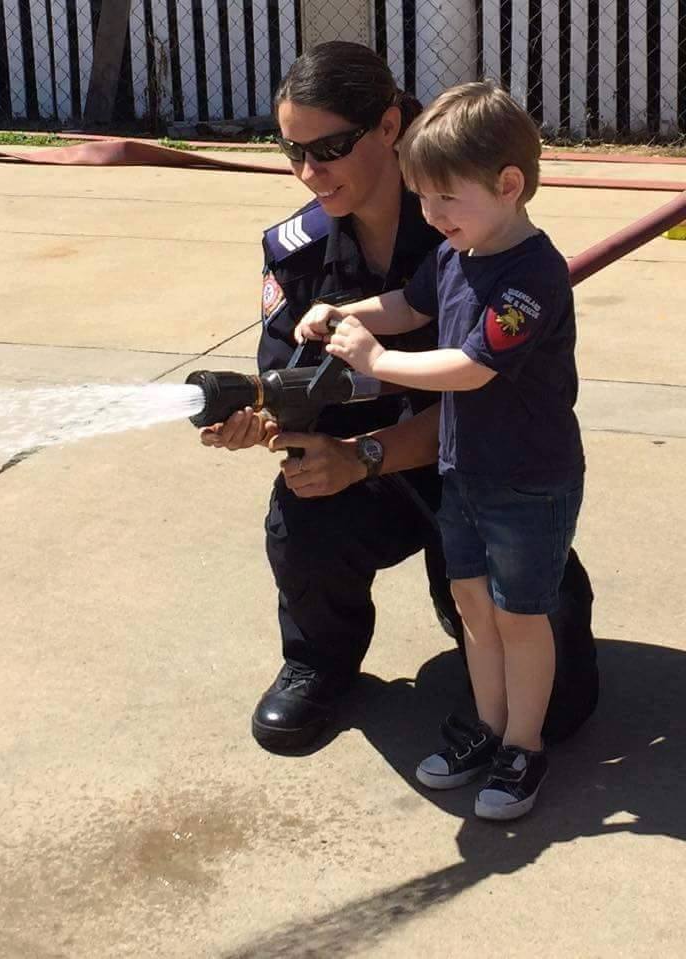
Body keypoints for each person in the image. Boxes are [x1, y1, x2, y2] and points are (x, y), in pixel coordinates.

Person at [200, 41, 598, 757]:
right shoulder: (297, 251)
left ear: (389, 127)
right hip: (377, 475)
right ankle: (321, 659)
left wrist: (366, 454)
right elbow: (287, 382)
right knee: (301, 509)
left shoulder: (468, 227)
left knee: (561, 699)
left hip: (485, 467)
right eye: (291, 150)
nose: (306, 173)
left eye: (328, 148)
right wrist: (257, 422)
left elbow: (481, 388)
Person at [297, 81, 583, 819]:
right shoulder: (458, 250)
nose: (431, 215)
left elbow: (472, 366)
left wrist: (374, 360)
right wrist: (341, 312)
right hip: (465, 470)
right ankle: (487, 728)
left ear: (509, 185)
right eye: (422, 198)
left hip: (528, 480)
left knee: (523, 616)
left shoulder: (529, 277)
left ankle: (525, 743)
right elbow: (409, 306)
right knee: (472, 603)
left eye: (444, 199)